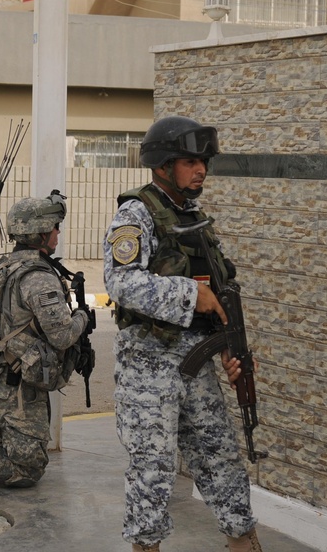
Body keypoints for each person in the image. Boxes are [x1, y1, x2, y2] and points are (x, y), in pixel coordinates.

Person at [104, 116, 262, 552]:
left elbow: (221, 288)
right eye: (191, 162)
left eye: (203, 162)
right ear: (163, 165)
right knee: (152, 470)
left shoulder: (192, 217)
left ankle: (244, 542)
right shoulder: (135, 214)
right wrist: (192, 295)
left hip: (196, 362)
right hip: (148, 364)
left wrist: (228, 346)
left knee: (222, 459)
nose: (201, 170)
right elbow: (121, 282)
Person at [0, 191, 91, 487]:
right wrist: (83, 317)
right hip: (15, 390)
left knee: (13, 456)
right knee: (27, 469)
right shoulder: (38, 277)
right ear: (40, 233)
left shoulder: (3, 267)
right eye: (55, 227)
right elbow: (63, 335)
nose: (58, 233)